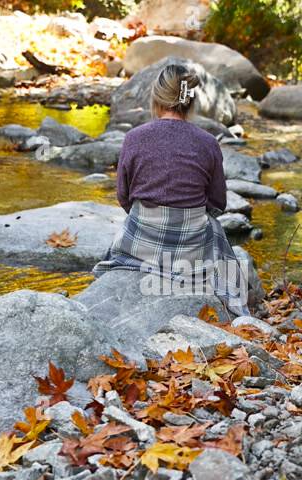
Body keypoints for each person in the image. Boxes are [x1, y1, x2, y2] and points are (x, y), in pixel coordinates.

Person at [92, 63, 249, 317]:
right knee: (217, 235)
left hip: (140, 244)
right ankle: (234, 308)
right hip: (191, 246)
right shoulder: (208, 143)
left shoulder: (134, 138)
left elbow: (124, 196)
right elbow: (218, 201)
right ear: (191, 102)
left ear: (156, 99)